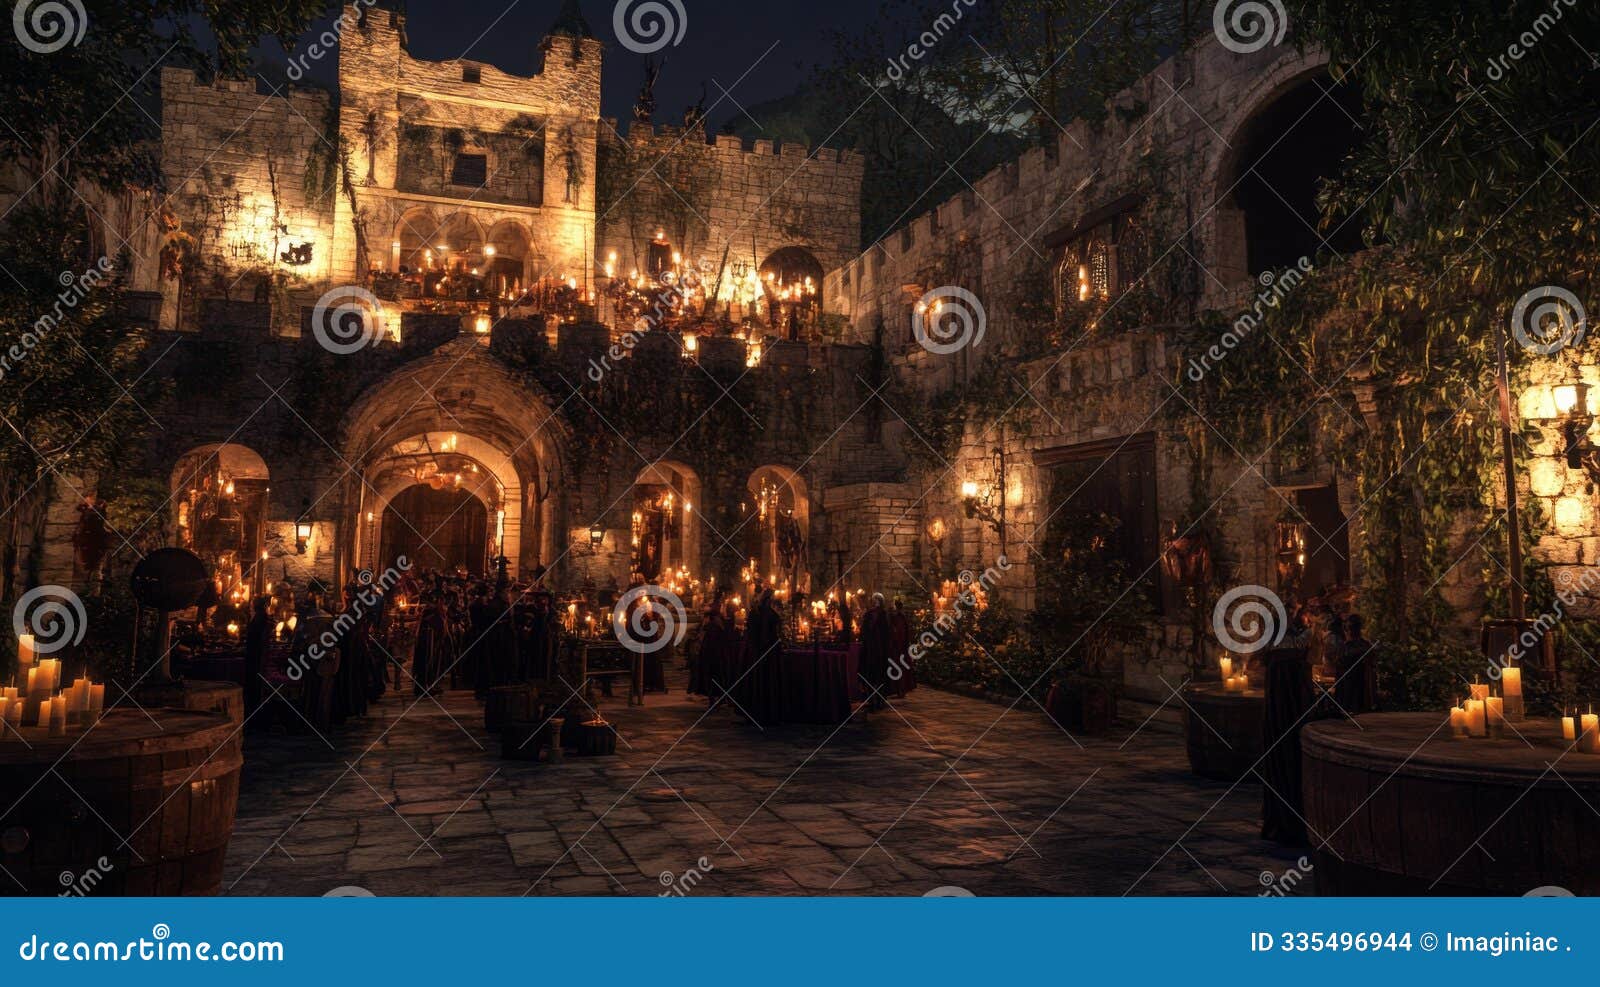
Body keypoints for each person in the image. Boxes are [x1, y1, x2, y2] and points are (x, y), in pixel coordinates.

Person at [735, 589, 784, 726]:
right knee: (763, 680)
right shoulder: (763, 613)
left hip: (761, 650)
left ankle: (762, 709)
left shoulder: (758, 613)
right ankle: (763, 709)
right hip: (764, 650)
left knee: (762, 680)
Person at [291, 595, 338, 734]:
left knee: (312, 689)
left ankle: (310, 718)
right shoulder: (322, 626)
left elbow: (302, 645)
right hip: (318, 665)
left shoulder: (311, 624)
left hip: (316, 667)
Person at [1334, 614, 1379, 714]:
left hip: (1359, 681)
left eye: (1353, 628)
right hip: (1350, 681)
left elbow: (1371, 661)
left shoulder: (1363, 645)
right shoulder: (1348, 646)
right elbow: (1339, 663)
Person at [857, 593, 893, 712]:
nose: (875, 602)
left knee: (880, 675)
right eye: (874, 600)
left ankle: (879, 699)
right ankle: (872, 700)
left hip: (880, 651)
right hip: (870, 650)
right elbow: (863, 631)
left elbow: (887, 632)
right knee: (870, 675)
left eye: (877, 600)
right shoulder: (868, 614)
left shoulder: (884, 615)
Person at [411, 594, 451, 697]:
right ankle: (424, 687)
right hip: (428, 643)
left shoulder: (434, 611)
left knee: (432, 666)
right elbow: (434, 625)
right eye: (441, 601)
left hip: (433, 642)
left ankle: (429, 686)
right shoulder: (430, 611)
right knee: (425, 666)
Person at [243, 595, 273, 724]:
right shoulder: (260, 617)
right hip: (256, 655)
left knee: (254, 683)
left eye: (252, 603)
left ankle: (254, 713)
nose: (250, 605)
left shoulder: (260, 618)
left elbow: (256, 638)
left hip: (256, 656)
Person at [888, 598, 914, 697]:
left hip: (899, 648)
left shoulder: (899, 618)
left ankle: (901, 690)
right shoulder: (899, 617)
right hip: (900, 647)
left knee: (899, 668)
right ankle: (900, 690)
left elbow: (900, 633)